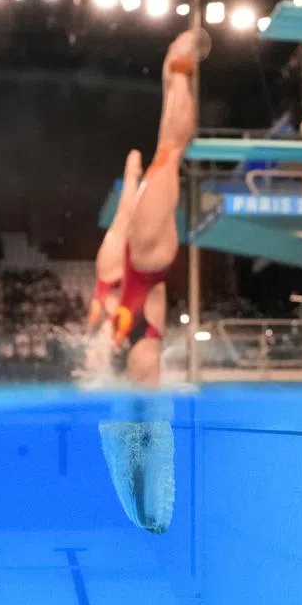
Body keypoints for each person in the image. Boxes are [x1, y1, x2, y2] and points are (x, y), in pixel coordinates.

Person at [87, 30, 201, 385]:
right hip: (145, 273)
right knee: (168, 155)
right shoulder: (133, 346)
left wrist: (132, 174)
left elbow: (123, 216)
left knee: (166, 156)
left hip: (137, 269)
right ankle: (178, 71)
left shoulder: (108, 265)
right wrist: (133, 173)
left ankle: (177, 72)